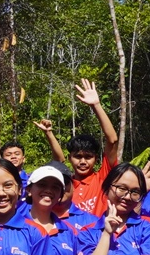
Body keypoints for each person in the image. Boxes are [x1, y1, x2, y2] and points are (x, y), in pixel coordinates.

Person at [35, 79, 120, 216]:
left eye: (88, 157)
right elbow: (58, 160)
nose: (82, 162)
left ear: (96, 159)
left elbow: (112, 140)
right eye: (78, 156)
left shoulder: (102, 178)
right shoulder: (64, 183)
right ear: (70, 158)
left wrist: (96, 105)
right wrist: (49, 133)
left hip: (96, 236)